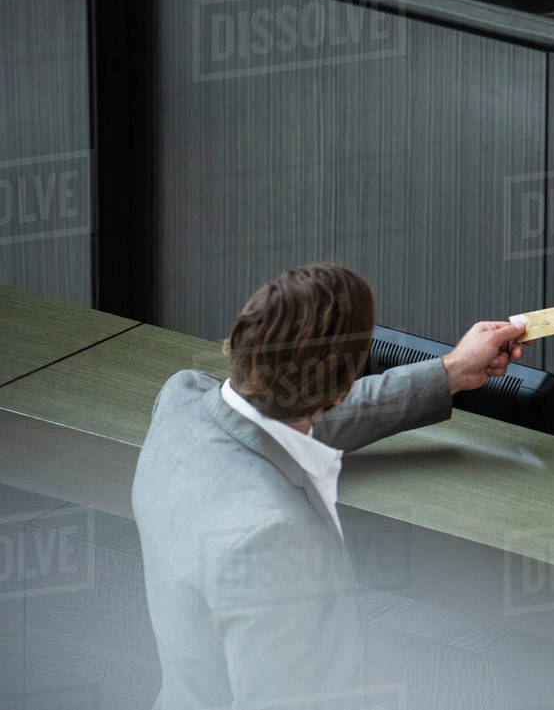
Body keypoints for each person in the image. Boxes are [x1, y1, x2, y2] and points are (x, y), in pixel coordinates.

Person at [132, 262, 525, 710]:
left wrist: (452, 371)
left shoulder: (182, 399)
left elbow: (294, 416)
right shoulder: (274, 539)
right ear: (339, 388)